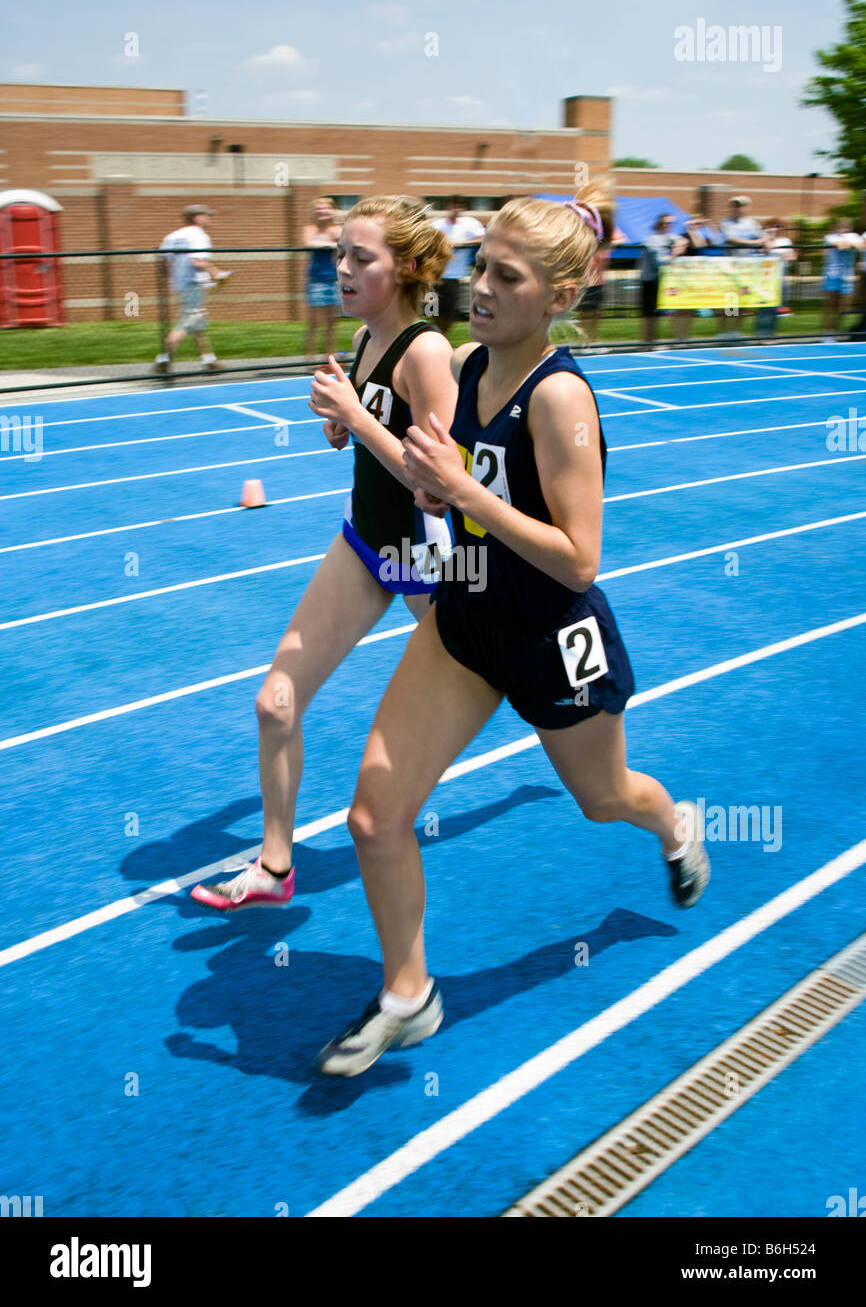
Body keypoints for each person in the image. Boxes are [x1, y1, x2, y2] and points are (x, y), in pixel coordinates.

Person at [316, 186, 710, 1077]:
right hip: (467, 613)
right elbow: (438, 486)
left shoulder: (560, 398)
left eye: (507, 276)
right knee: (374, 816)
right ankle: (408, 996)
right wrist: (391, 453)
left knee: (604, 799)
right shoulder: (462, 366)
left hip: (550, 635)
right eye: (481, 266)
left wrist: (465, 493)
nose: (482, 288)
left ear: (561, 296)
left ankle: (675, 825)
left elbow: (579, 560)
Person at [190, 196, 455, 912]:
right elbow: (375, 440)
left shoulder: (427, 353)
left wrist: (357, 419)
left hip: (425, 560)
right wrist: (344, 428)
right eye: (340, 253)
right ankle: (275, 868)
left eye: (360, 258)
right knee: (274, 703)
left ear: (405, 268)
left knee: (516, 685)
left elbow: (438, 484)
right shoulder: (366, 337)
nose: (340, 268)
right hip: (365, 544)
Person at [153, 205, 231, 375]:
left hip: (181, 285)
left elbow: (164, 263)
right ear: (197, 218)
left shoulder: (172, 236)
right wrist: (217, 273)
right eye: (206, 215)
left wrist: (173, 279)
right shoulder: (199, 235)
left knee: (197, 322)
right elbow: (197, 261)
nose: (209, 218)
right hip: (194, 284)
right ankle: (163, 359)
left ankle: (209, 360)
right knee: (188, 322)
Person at [431, 197, 485, 337]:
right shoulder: (438, 225)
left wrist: (461, 243)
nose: (455, 209)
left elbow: (483, 238)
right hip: (436, 276)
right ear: (447, 208)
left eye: (458, 206)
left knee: (449, 314)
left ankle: (439, 336)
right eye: (452, 206)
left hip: (455, 276)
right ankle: (434, 336)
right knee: (432, 311)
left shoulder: (469, 224)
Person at [718, 196, 766, 339]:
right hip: (731, 267)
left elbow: (764, 238)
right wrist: (754, 242)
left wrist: (764, 242)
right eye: (736, 206)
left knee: (743, 300)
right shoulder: (726, 223)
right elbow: (732, 239)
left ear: (748, 207)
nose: (739, 209)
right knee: (730, 301)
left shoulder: (753, 223)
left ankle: (736, 330)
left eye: (742, 206)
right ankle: (724, 331)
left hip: (748, 268)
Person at [303, 197, 343, 358]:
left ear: (332, 210)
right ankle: (310, 358)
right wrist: (332, 244)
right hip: (316, 280)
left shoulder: (337, 230)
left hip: (334, 280)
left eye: (326, 207)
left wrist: (331, 243)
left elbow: (343, 244)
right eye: (319, 208)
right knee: (314, 322)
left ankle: (330, 356)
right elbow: (309, 243)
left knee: (332, 322)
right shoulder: (309, 229)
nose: (322, 211)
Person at [639, 211, 686, 346]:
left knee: (659, 313)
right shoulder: (653, 240)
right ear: (659, 224)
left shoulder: (669, 236)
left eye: (671, 223)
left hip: (661, 279)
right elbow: (659, 262)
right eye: (665, 223)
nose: (668, 225)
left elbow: (683, 240)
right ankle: (648, 343)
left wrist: (680, 244)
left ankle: (654, 342)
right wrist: (675, 253)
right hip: (650, 279)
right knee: (650, 314)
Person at [577, 223, 626, 351]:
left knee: (596, 313)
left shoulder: (606, 227)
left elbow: (622, 239)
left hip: (600, 279)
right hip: (585, 280)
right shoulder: (584, 227)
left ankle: (593, 342)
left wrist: (607, 244)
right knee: (585, 314)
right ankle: (584, 343)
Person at [821, 218, 863, 340]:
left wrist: (850, 242)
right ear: (836, 228)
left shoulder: (853, 236)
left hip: (846, 277)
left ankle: (834, 332)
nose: (844, 229)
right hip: (832, 275)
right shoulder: (830, 237)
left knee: (843, 307)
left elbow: (861, 246)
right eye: (841, 227)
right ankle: (826, 332)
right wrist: (851, 242)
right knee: (830, 306)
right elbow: (840, 245)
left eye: (846, 227)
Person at [756, 218, 796, 338]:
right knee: (764, 306)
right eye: (772, 226)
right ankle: (761, 334)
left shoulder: (786, 240)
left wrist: (781, 255)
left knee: (776, 307)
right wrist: (769, 238)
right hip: (766, 277)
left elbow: (792, 256)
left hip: (781, 275)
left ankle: (771, 334)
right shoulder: (763, 239)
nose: (776, 229)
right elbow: (765, 252)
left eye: (778, 226)